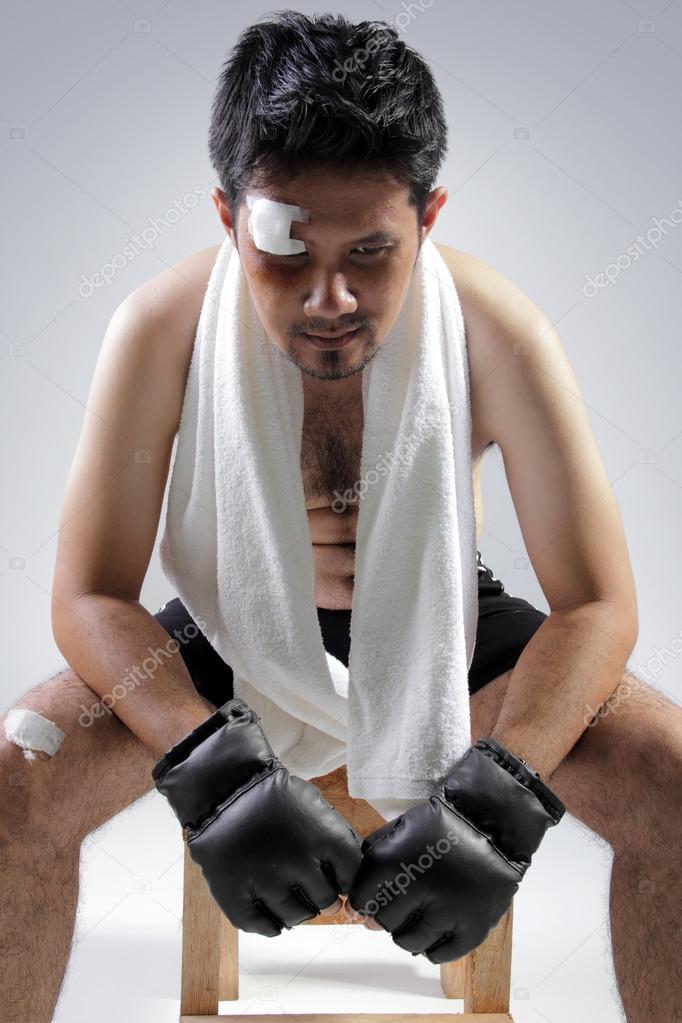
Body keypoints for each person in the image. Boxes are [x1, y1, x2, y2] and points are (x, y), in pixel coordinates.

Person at [2, 11, 680, 1022]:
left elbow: (596, 605)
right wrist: (214, 772)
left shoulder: (500, 333)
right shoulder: (160, 328)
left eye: (370, 250)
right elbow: (89, 592)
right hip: (230, 633)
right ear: (228, 214)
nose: (330, 297)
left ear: (429, 216)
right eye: (285, 247)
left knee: (675, 786)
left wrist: (501, 800)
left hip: (445, 632)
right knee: (13, 784)